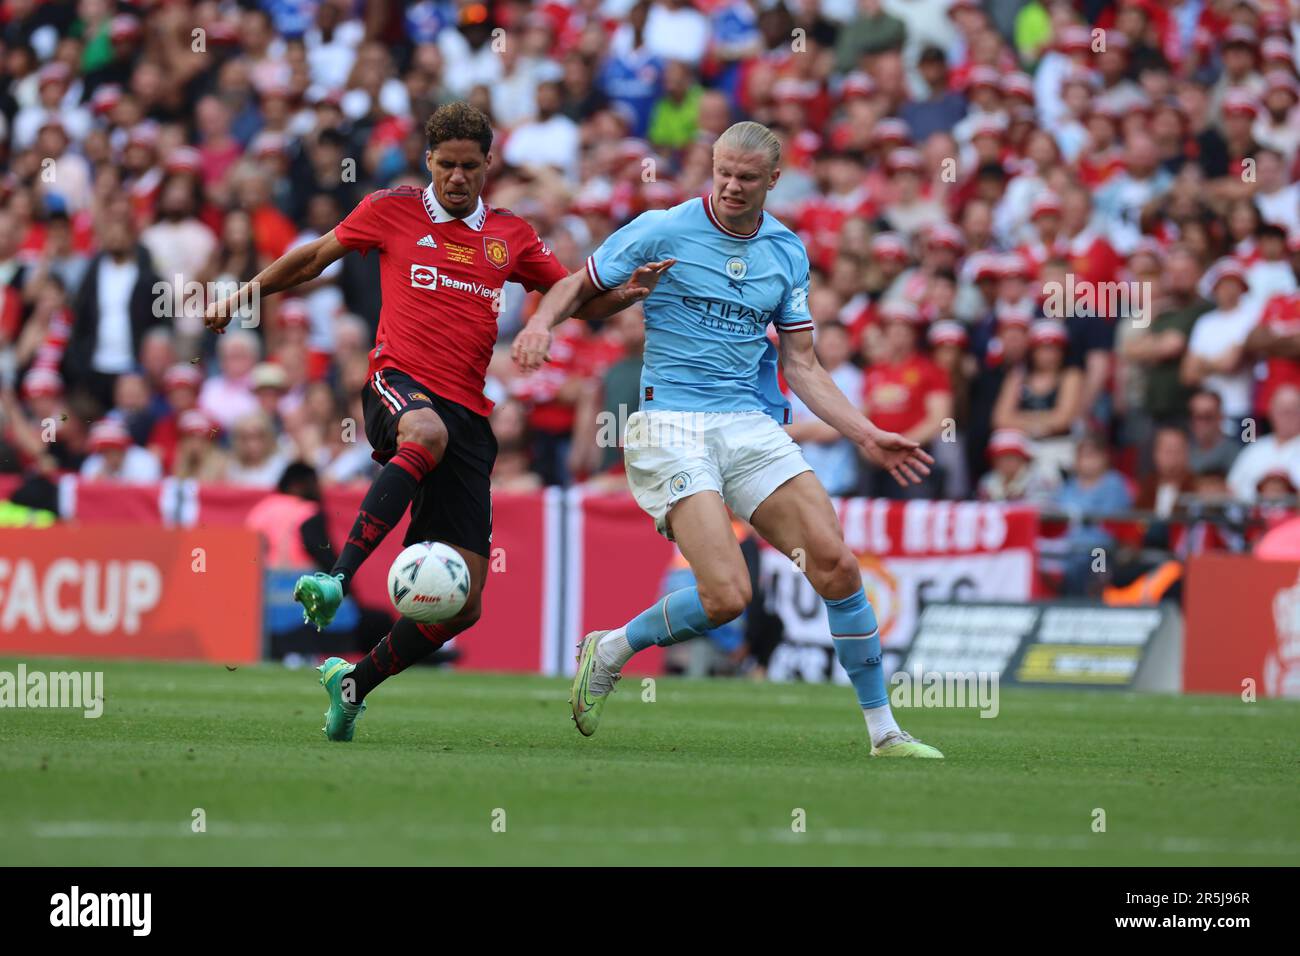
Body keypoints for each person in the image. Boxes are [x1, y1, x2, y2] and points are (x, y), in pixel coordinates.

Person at [205, 102, 654, 741]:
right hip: (398, 386)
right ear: (428, 162)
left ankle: (353, 683)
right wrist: (242, 294)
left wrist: (627, 292)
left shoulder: (511, 235)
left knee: (463, 605)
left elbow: (576, 301)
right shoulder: (391, 210)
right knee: (427, 432)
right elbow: (314, 259)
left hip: (469, 416)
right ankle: (335, 578)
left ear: (488, 164)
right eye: (447, 165)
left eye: (470, 166)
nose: (458, 177)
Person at [512, 121, 941, 758]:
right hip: (670, 425)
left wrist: (867, 434)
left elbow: (802, 365)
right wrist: (542, 324)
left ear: (774, 179)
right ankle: (613, 648)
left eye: (747, 177)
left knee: (837, 564)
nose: (732, 186)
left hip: (748, 424)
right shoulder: (664, 227)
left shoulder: (787, 252)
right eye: (723, 173)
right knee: (727, 596)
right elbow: (579, 282)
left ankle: (884, 733)